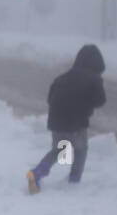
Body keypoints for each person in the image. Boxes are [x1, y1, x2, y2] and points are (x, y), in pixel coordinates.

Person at [27, 43, 106, 193]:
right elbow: (100, 101)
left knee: (58, 151)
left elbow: (50, 99)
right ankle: (74, 181)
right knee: (81, 150)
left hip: (56, 122)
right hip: (77, 123)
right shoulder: (94, 79)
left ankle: (36, 172)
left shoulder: (62, 77)